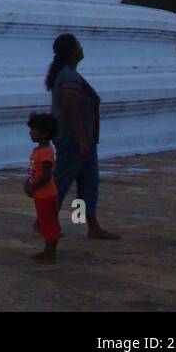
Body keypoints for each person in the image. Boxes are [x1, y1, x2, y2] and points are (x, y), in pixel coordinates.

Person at [46, 32, 119, 240]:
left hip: (84, 137)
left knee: (88, 181)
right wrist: (80, 138)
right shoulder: (68, 76)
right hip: (73, 138)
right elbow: (71, 108)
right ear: (72, 51)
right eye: (78, 45)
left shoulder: (68, 73)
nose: (81, 48)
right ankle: (44, 220)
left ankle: (91, 224)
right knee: (63, 180)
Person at [24, 112, 60, 263]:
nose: (30, 133)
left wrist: (33, 186)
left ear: (44, 133)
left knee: (48, 223)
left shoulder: (46, 152)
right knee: (45, 222)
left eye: (34, 130)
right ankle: (47, 251)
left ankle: (50, 253)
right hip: (40, 193)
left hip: (46, 193)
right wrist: (28, 182)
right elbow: (33, 169)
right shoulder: (38, 150)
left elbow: (46, 175)